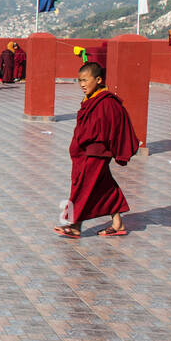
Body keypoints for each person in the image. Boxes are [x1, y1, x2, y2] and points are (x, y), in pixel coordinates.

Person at [57, 62, 139, 238]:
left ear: (99, 80)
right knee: (103, 186)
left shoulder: (107, 102)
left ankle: (74, 224)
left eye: (86, 80)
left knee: (82, 187)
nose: (82, 85)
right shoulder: (91, 100)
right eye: (80, 81)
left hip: (96, 152)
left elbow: (114, 127)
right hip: (85, 151)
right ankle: (118, 224)